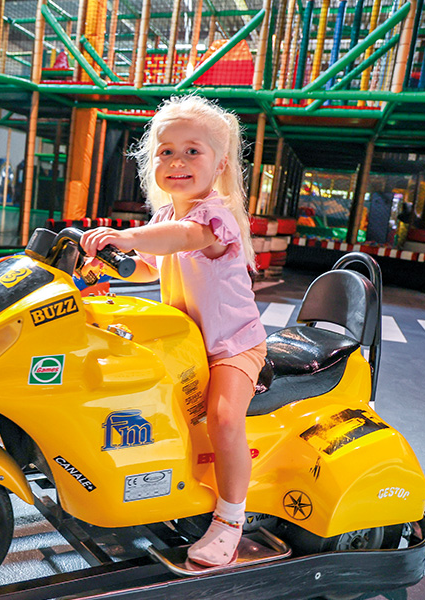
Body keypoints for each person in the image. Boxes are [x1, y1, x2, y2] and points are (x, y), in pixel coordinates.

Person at [80, 95, 266, 568]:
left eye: (192, 151)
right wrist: (103, 269)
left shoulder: (214, 216)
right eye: (166, 151)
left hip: (231, 345)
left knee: (224, 419)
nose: (177, 161)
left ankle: (229, 520)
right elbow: (147, 263)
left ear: (220, 162)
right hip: (184, 345)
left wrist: (122, 235)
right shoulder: (164, 217)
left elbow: (183, 241)